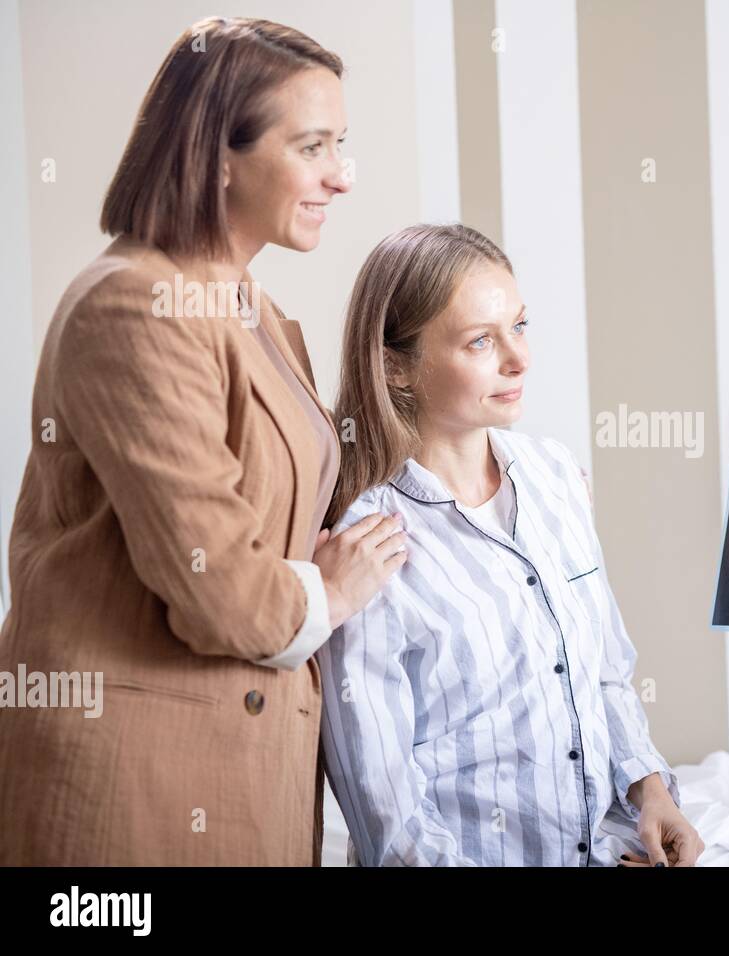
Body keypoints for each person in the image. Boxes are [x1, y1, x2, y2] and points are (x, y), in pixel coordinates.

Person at [0, 17, 405, 864]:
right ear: (220, 155)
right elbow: (218, 583)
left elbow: (298, 514)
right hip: (134, 780)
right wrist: (329, 594)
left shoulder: (256, 314)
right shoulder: (136, 304)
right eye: (314, 146)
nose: (343, 174)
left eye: (344, 143)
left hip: (250, 774)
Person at [317, 223, 704, 866]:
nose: (519, 360)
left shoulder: (556, 477)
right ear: (397, 367)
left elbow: (604, 671)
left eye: (519, 327)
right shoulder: (370, 543)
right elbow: (388, 815)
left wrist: (651, 791)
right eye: (480, 341)